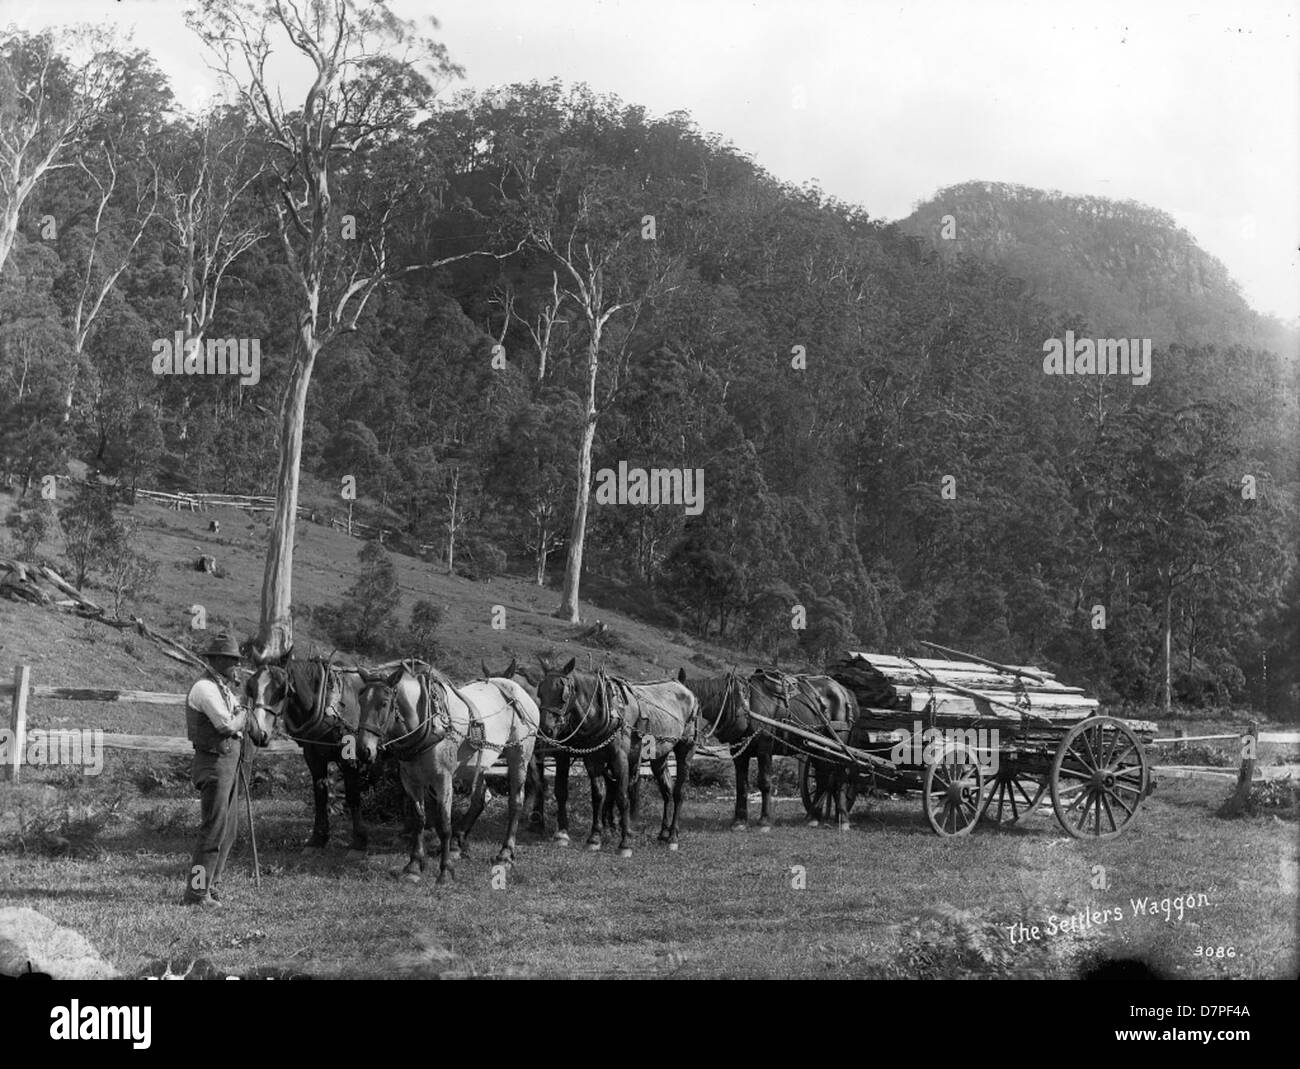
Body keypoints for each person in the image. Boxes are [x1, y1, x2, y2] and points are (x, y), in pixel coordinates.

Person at [182, 632, 266, 908]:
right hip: (214, 765)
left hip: (229, 766)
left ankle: (211, 885)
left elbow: (244, 724)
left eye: (237, 661)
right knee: (213, 830)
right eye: (231, 661)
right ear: (216, 661)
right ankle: (195, 893)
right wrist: (244, 714)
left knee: (228, 831)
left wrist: (247, 715)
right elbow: (226, 726)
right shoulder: (204, 688)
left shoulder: (225, 689)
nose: (236, 666)